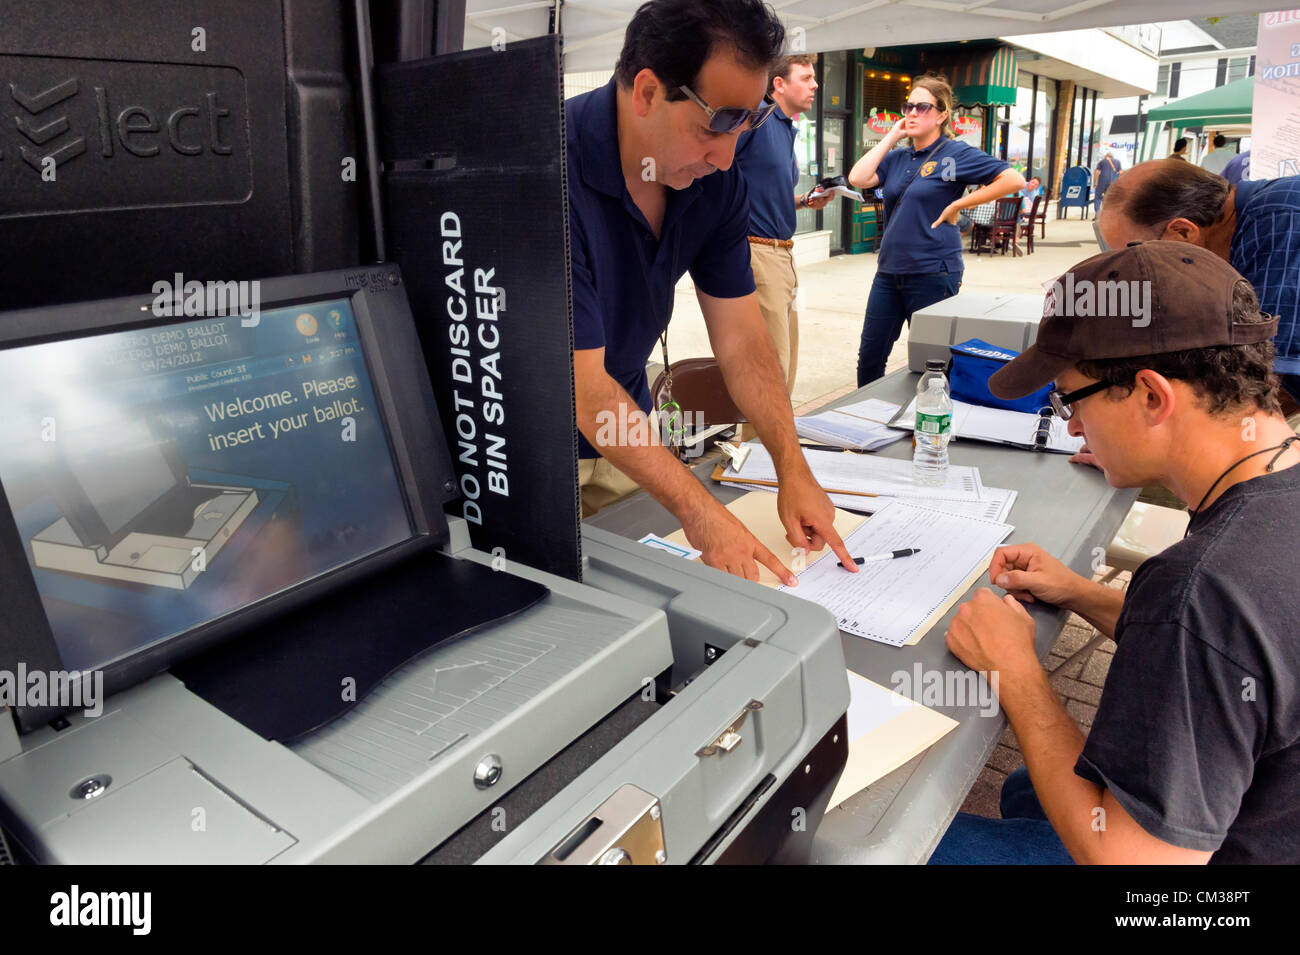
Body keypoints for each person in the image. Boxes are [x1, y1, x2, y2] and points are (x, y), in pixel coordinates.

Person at [932, 242, 1300, 864]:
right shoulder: (1264, 510)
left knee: (867, 846)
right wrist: (1080, 593)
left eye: (1070, 399)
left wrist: (1016, 674)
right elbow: (1238, 656)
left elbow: (1137, 866)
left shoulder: (1202, 587)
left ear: (1152, 396)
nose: (1071, 426)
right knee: (1030, 787)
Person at [567, 0, 854, 583]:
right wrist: (700, 510)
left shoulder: (714, 182)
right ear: (647, 91)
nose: (725, 158)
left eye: (746, 125)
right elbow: (584, 390)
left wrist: (791, 465)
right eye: (715, 125)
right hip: (524, 451)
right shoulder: (545, 173)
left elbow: (744, 339)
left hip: (626, 440)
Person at [847, 75, 1024, 386]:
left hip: (933, 272)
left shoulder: (954, 154)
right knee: (870, 356)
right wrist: (892, 134)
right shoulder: (897, 158)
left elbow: (1013, 180)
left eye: (922, 107)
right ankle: (867, 420)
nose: (912, 113)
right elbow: (858, 178)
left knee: (934, 362)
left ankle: (930, 424)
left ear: (942, 114)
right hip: (889, 273)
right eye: (908, 106)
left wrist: (959, 204)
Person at [1096, 159, 1300, 410]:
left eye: (1140, 259)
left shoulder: (1278, 220)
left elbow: (1269, 382)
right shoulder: (1241, 228)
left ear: (1183, 232)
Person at [733, 53, 833, 396]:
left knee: (784, 367)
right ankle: (754, 447)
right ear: (779, 83)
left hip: (783, 255)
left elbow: (765, 193)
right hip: (757, 253)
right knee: (769, 368)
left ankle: (766, 444)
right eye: (806, 77)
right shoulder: (756, 122)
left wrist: (805, 200)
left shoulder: (784, 128)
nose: (815, 85)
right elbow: (716, 176)